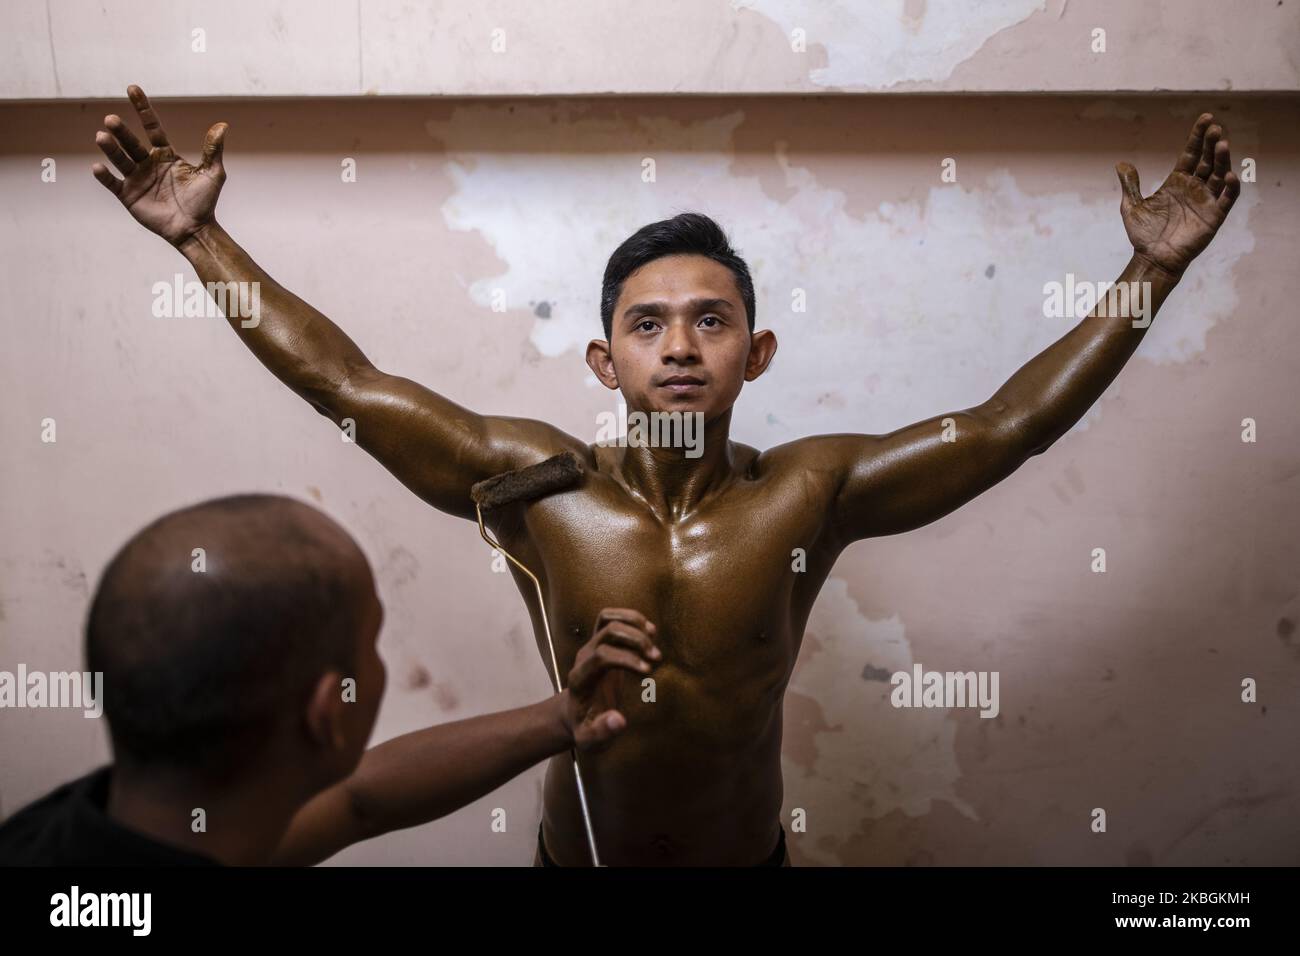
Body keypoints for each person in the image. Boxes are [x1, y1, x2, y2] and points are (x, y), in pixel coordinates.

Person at [90, 86, 1239, 865]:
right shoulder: (532, 481)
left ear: (757, 349)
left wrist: (1146, 273)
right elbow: (344, 381)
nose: (680, 346)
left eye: (711, 321)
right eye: (648, 325)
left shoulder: (807, 494)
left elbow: (1004, 427)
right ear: (606, 357)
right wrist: (199, 240)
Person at [0, 494, 658, 865]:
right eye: (370, 643)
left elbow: (359, 800)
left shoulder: (79, 829)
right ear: (328, 711)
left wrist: (558, 717)